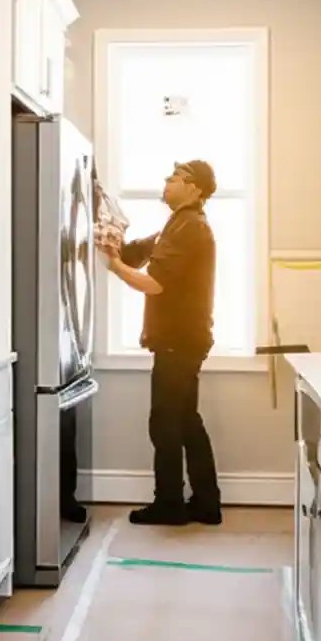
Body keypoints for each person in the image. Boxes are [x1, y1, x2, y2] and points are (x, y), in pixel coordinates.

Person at [100, 160, 221, 526]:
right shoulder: (179, 225)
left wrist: (114, 266)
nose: (166, 183)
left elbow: (154, 283)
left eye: (174, 178)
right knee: (185, 421)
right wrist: (113, 238)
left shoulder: (190, 228)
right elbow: (139, 251)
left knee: (165, 422)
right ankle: (205, 504)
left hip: (178, 343)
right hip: (185, 340)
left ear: (196, 188)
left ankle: (170, 504)